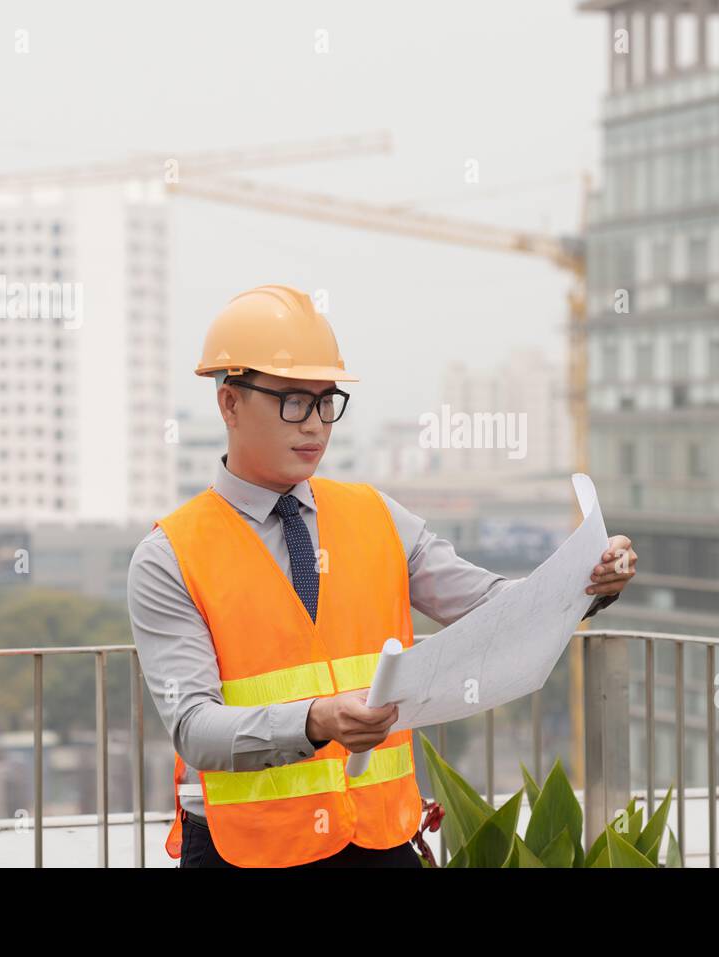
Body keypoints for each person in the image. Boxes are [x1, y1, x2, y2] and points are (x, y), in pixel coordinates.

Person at [127, 284, 638, 868]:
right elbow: (193, 727)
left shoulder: (375, 514)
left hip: (380, 838)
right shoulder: (170, 555)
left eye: (327, 401)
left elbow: (492, 606)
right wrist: (316, 720)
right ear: (230, 404)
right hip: (246, 847)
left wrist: (586, 584)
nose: (316, 424)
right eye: (293, 401)